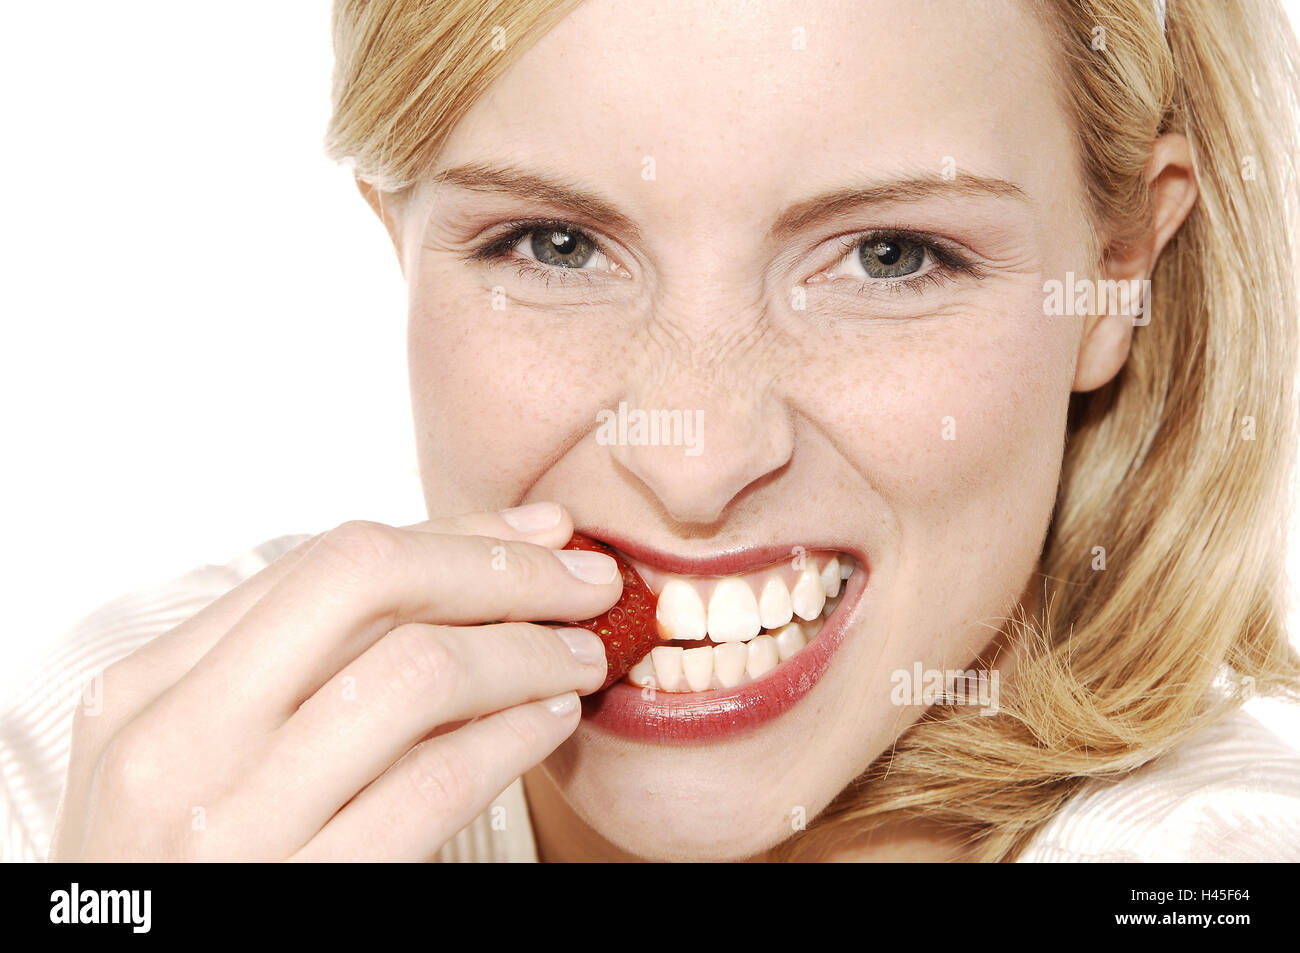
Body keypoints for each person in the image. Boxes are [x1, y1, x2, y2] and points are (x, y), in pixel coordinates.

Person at [7, 0, 1300, 862]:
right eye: (554, 244)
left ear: (1120, 267)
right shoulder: (99, 757)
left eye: (892, 255)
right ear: (396, 242)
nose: (696, 456)